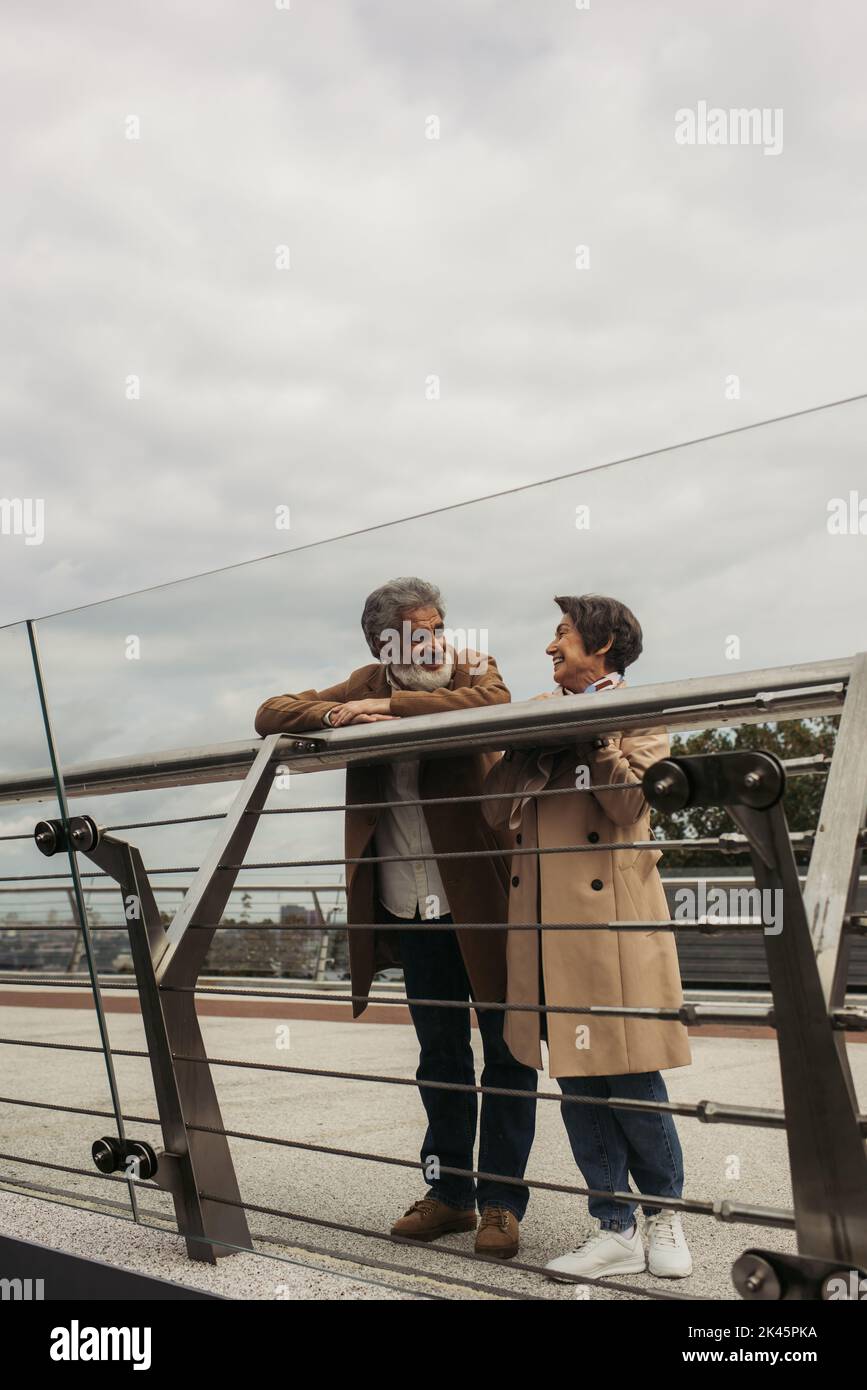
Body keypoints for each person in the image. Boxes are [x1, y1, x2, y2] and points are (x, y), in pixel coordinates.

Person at [255, 577, 537, 1258]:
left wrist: (392, 706)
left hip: (479, 897)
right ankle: (448, 1196)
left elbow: (493, 700)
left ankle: (500, 1204)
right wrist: (337, 716)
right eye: (419, 629)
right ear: (384, 640)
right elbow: (270, 712)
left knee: (507, 1051)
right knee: (439, 1055)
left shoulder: (467, 667)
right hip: (410, 903)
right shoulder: (362, 681)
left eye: (438, 624)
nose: (435, 638)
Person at [483, 593, 693, 1280]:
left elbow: (629, 803)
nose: (550, 647)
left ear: (600, 646)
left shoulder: (641, 714)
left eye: (563, 634)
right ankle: (611, 1227)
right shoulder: (537, 715)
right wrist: (531, 750)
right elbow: (492, 812)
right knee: (577, 1080)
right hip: (549, 923)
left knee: (631, 1071)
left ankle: (665, 1217)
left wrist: (594, 736)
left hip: (612, 925)